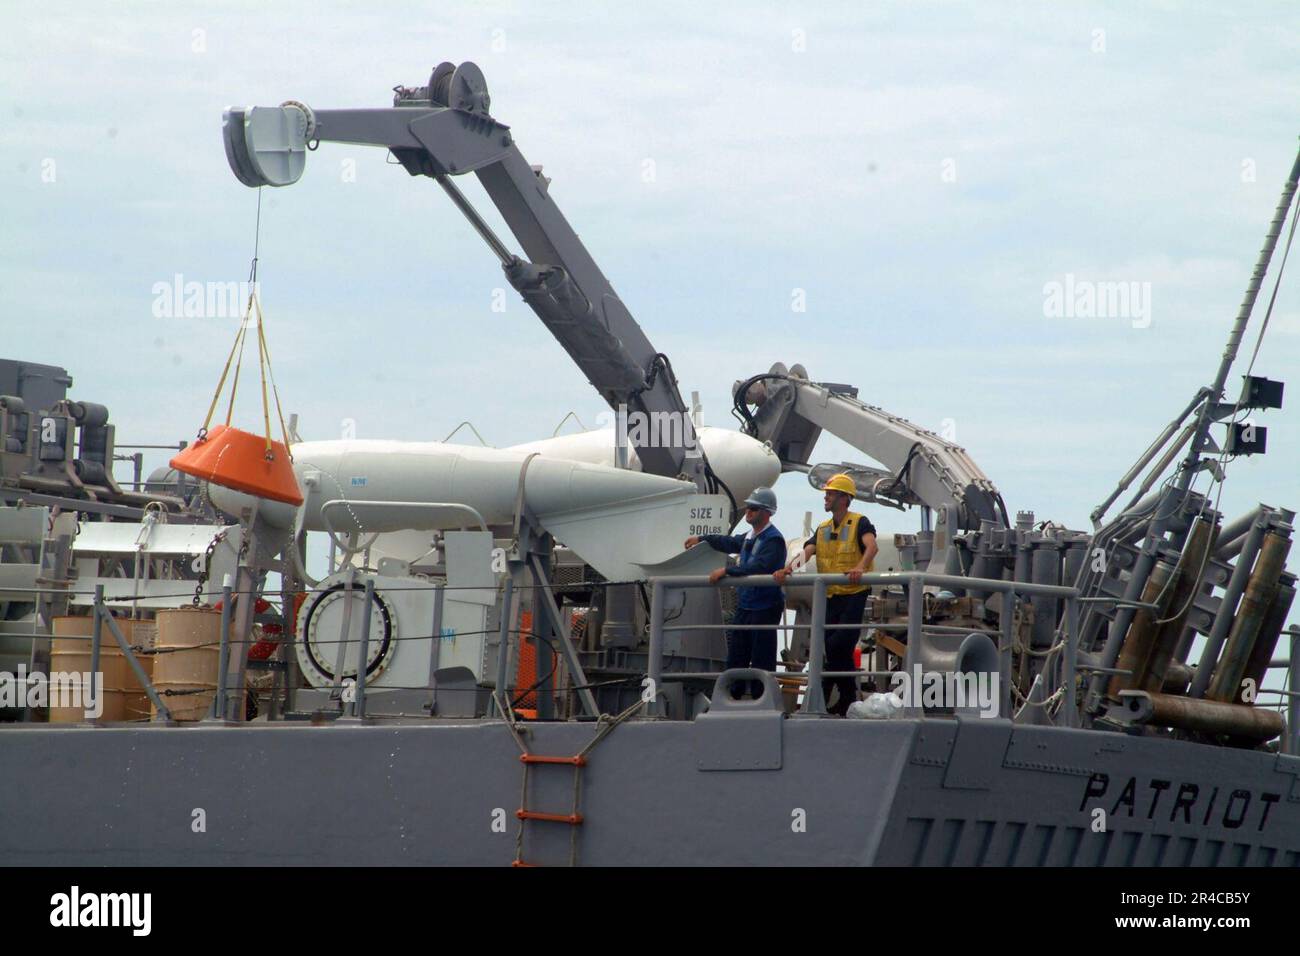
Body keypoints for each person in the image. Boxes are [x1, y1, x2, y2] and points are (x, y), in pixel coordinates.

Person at [774, 473, 878, 715]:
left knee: (839, 643)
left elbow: (871, 546)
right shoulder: (822, 529)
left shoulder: (859, 522)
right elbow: (808, 552)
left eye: (830, 494)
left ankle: (844, 694)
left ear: (844, 498)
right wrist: (789, 568)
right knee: (830, 647)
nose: (826, 497)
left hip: (854, 593)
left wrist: (860, 567)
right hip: (831, 596)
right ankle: (845, 696)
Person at [684, 487, 785, 699]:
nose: (748, 511)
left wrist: (727, 570)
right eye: (748, 507)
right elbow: (729, 542)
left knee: (761, 657)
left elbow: (760, 566)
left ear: (766, 512)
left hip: (764, 606)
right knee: (737, 655)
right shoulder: (751, 536)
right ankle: (733, 696)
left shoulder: (773, 540)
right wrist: (704, 538)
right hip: (747, 604)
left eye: (753, 508)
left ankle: (761, 699)